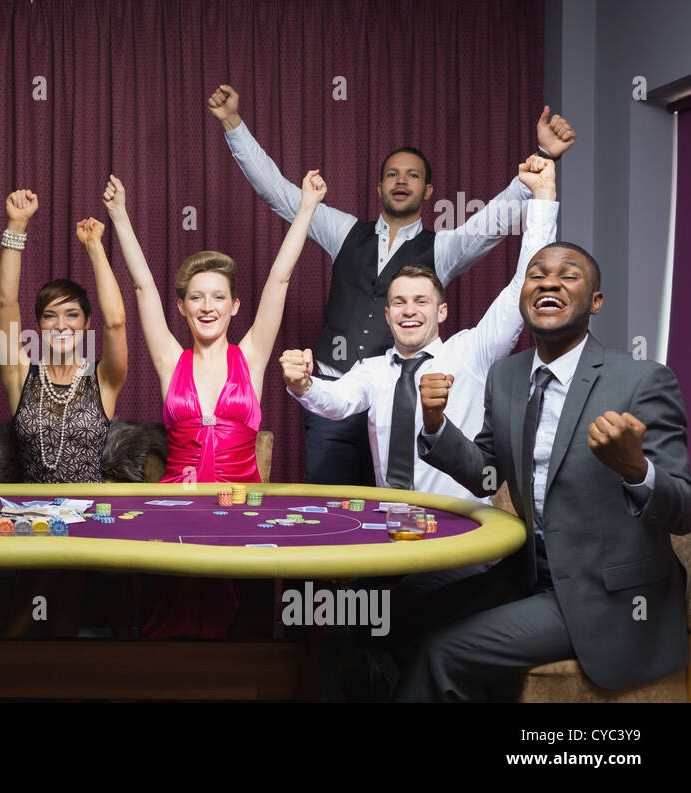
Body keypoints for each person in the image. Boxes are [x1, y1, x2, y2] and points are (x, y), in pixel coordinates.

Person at [207, 84, 577, 487]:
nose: (402, 181)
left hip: (409, 401)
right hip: (337, 390)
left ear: (428, 190)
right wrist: (232, 122)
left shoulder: (444, 248)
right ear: (380, 186)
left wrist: (541, 161)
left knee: (400, 504)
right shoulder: (343, 230)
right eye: (392, 175)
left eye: (413, 175)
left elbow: (493, 221)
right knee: (334, 516)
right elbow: (278, 193)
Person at [395, 242, 691, 700]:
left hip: (606, 597)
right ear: (523, 296)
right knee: (390, 613)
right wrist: (436, 427)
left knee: (443, 652)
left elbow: (683, 510)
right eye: (537, 274)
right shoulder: (507, 376)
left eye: (568, 275)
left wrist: (637, 470)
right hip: (525, 575)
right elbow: (488, 475)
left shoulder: (642, 380)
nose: (549, 281)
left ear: (595, 301)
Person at [108, 170, 325, 638]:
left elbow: (280, 279)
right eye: (196, 297)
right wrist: (121, 216)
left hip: (241, 508)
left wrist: (306, 207)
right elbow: (144, 287)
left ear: (235, 306)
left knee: (243, 629)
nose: (208, 306)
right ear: (182, 307)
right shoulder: (170, 359)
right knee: (166, 624)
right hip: (176, 509)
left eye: (218, 297)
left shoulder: (252, 355)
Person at [281, 155, 559, 502]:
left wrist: (543, 197)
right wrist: (304, 384)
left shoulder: (472, 351)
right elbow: (337, 401)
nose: (409, 311)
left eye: (421, 301)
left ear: (442, 311)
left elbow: (525, 283)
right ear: (387, 315)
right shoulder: (373, 371)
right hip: (392, 536)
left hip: (458, 534)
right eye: (399, 302)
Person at [0, 190, 129, 484]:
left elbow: (116, 321)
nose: (61, 325)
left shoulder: (102, 379)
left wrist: (94, 247)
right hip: (31, 517)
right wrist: (16, 226)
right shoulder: (19, 374)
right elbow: (6, 303)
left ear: (87, 322)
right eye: (50, 315)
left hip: (89, 517)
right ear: (39, 324)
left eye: (72, 315)